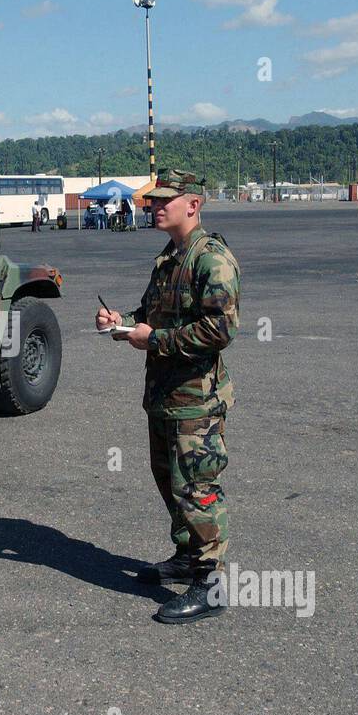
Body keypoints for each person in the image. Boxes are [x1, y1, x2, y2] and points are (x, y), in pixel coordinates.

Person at [95, 168, 241, 624]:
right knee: (170, 482)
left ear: (192, 205)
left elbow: (220, 330)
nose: (153, 206)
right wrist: (122, 321)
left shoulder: (210, 260)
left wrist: (152, 339)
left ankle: (212, 581)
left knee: (197, 489)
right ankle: (187, 557)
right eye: (152, 201)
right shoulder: (169, 257)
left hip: (196, 402)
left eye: (163, 201)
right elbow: (153, 313)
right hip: (165, 397)